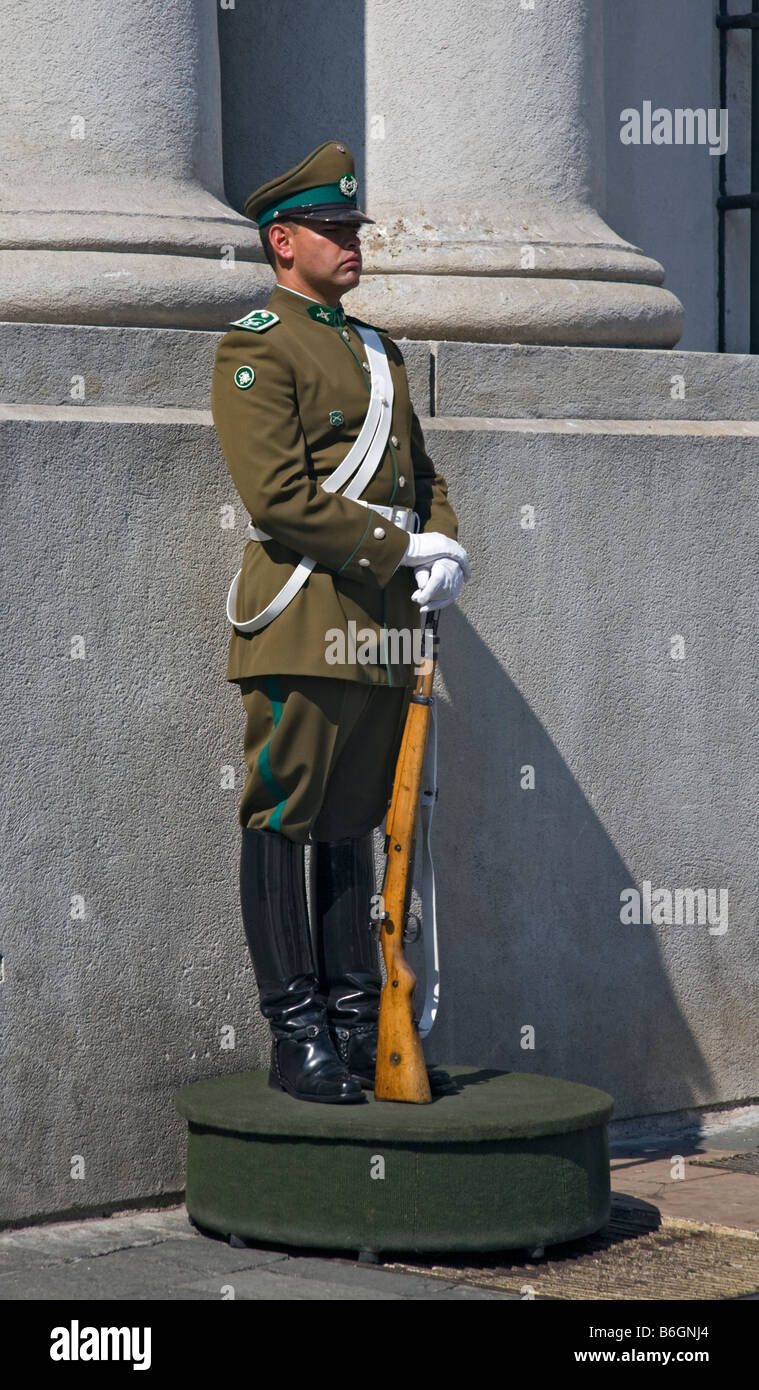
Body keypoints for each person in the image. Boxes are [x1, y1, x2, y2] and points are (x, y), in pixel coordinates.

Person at [210, 140, 470, 1104]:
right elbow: (278, 497)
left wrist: (440, 543)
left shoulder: (378, 350)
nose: (351, 242)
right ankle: (297, 1032)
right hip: (306, 614)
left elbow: (422, 476)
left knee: (357, 824)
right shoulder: (256, 344)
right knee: (287, 817)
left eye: (353, 228)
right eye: (331, 230)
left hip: (383, 621)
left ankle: (361, 1022)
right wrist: (396, 548)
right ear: (283, 242)